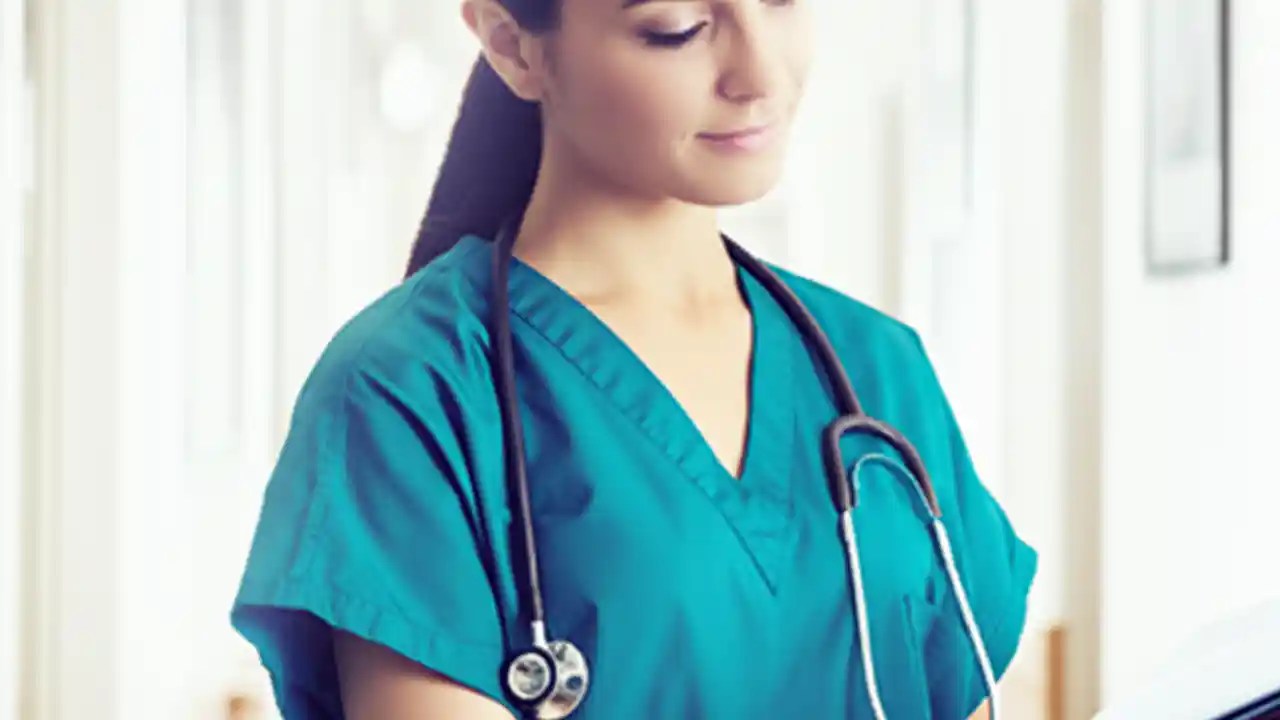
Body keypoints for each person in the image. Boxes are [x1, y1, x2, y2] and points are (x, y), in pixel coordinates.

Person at [229, 0, 1037, 718]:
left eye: (783, 0)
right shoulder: (408, 390)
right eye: (676, 29)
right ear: (512, 45)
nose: (760, 75)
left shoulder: (878, 369)